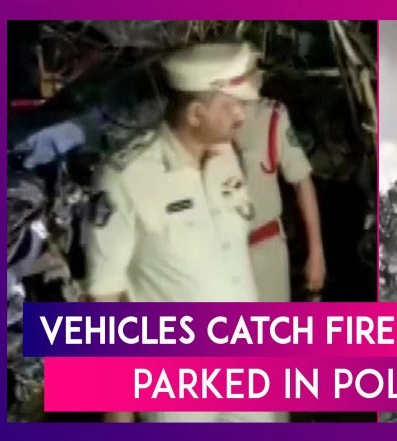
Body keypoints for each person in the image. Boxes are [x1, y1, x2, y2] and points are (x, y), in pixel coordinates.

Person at [83, 42, 278, 423]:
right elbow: (103, 301)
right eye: (231, 105)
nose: (242, 114)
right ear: (195, 113)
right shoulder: (126, 178)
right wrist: (117, 414)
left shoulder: (225, 157)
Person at [234, 53, 326, 303]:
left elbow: (302, 180)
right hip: (222, 254)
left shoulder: (270, 117)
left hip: (265, 250)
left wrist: (316, 251)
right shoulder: (203, 125)